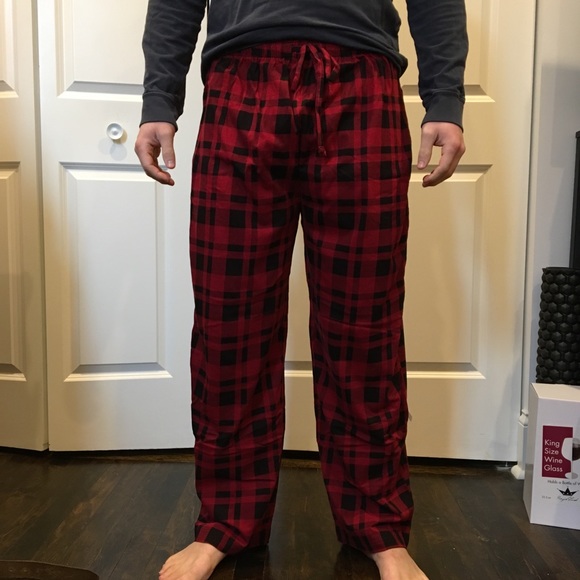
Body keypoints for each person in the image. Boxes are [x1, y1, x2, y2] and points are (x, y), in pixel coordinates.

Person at [135, 1, 467, 579]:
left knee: (365, 328)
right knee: (230, 325)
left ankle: (378, 524)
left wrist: (445, 99)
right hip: (241, 79)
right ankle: (227, 519)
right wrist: (160, 98)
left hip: (362, 80)